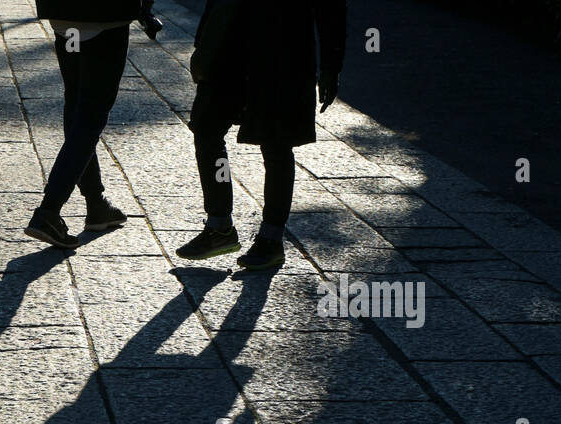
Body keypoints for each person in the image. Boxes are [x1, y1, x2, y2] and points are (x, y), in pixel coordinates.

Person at [177, 0, 347, 269]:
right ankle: (219, 226)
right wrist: (203, 44)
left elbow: (331, 8)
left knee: (276, 145)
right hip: (228, 48)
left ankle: (271, 238)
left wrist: (331, 66)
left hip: (283, 54)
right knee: (207, 130)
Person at [25, 1, 164, 249]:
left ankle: (96, 203)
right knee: (90, 115)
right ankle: (48, 211)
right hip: (105, 20)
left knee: (76, 103)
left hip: (65, 24)